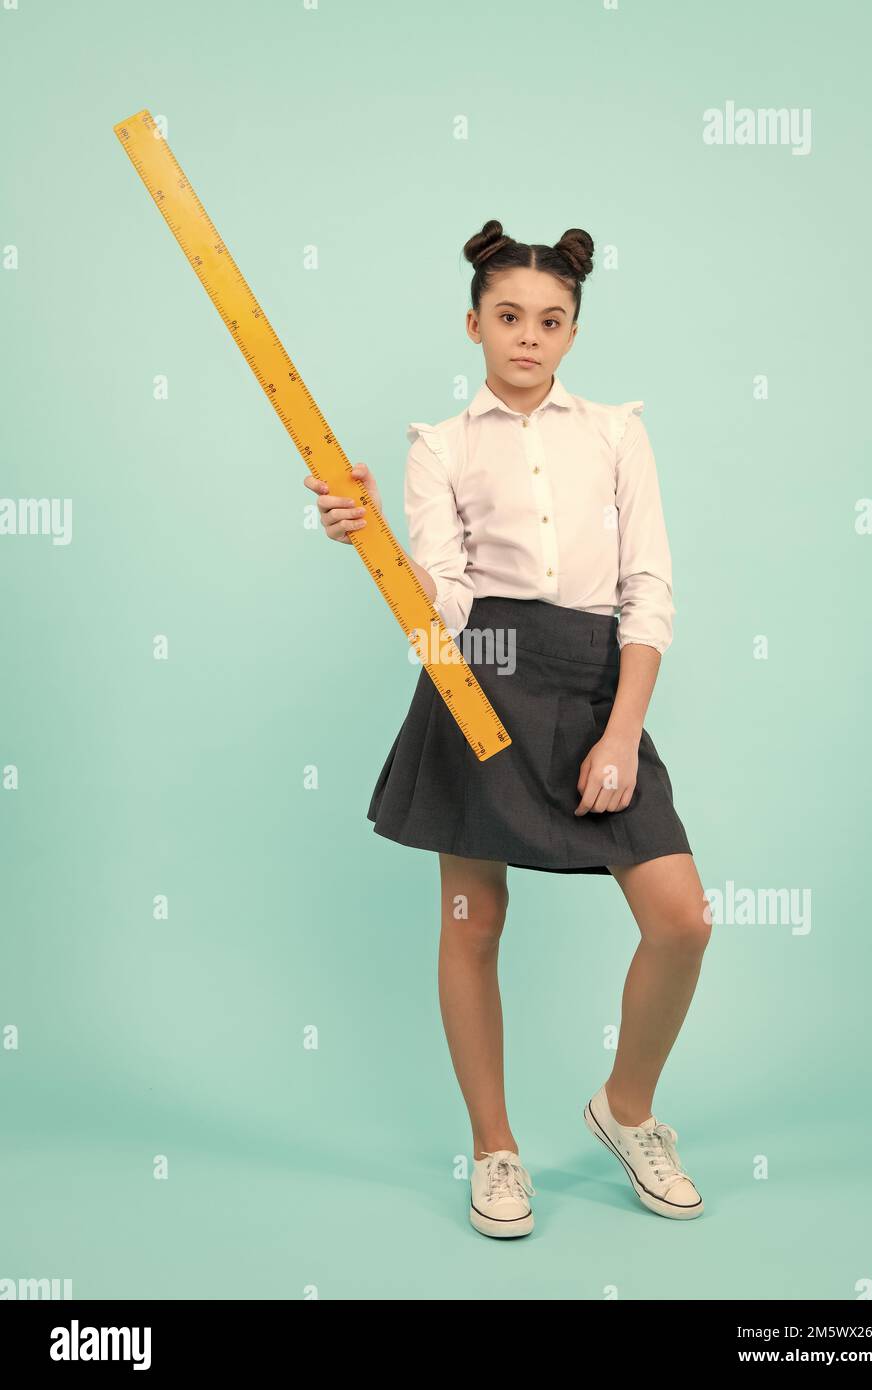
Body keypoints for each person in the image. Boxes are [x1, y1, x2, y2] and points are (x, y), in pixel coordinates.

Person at [304, 220, 712, 1238]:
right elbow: (438, 603)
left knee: (680, 917)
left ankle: (625, 1110)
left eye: (550, 320)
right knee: (471, 924)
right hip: (476, 679)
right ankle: (493, 1149)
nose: (528, 337)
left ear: (572, 330)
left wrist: (619, 735)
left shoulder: (617, 431)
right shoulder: (436, 447)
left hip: (593, 684)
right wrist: (373, 542)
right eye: (508, 317)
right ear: (473, 322)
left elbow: (648, 593)